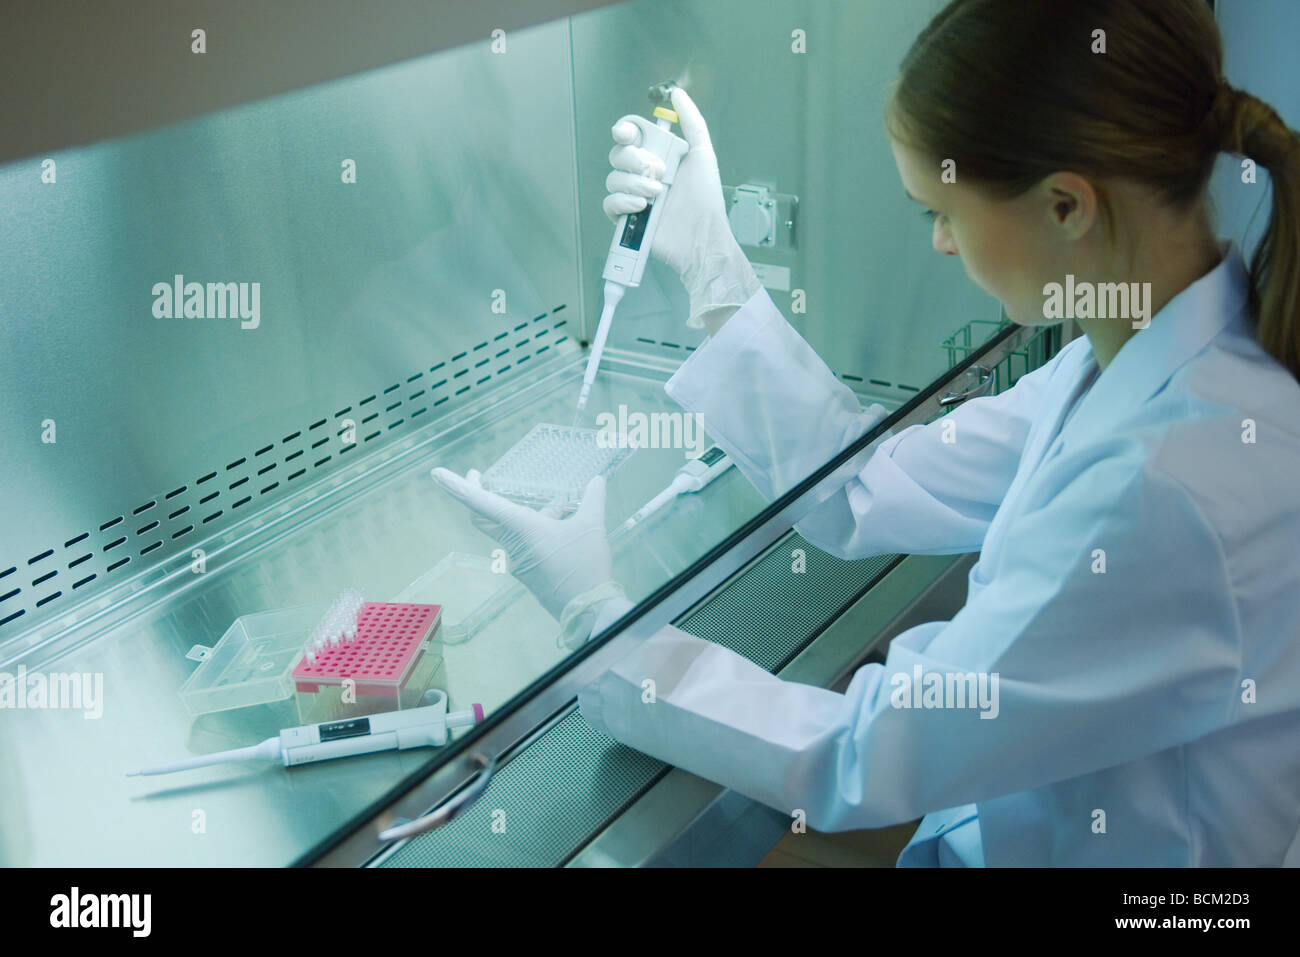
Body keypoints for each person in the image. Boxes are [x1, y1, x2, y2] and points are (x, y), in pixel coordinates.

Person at [433, 0, 1300, 865]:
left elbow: (868, 754)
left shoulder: (1173, 486)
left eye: (944, 212)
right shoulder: (1127, 359)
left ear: (1068, 206)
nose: (939, 244)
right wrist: (711, 262)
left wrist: (601, 624)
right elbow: (871, 485)